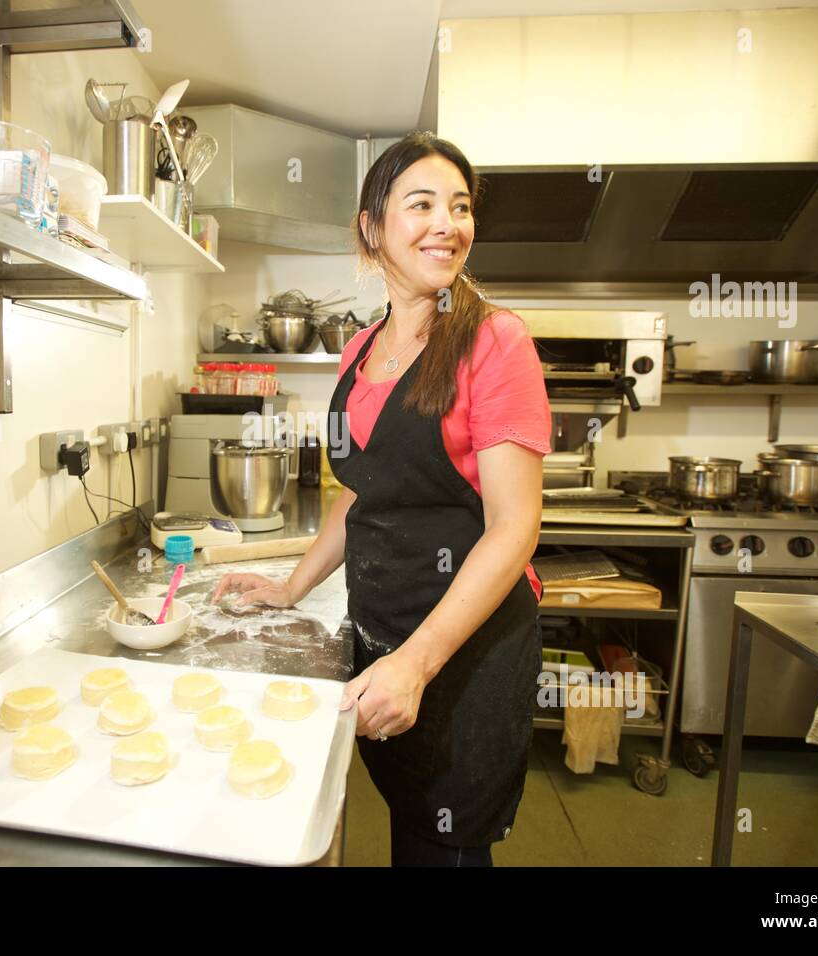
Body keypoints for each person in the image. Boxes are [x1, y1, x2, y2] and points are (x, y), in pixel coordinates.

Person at [211, 131, 550, 866]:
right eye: (421, 204)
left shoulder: (495, 340)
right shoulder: (359, 351)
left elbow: (515, 527)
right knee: (410, 824)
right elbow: (360, 493)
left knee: (445, 844)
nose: (447, 224)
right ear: (373, 228)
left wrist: (418, 664)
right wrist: (291, 584)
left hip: (464, 648)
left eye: (459, 207)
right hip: (384, 630)